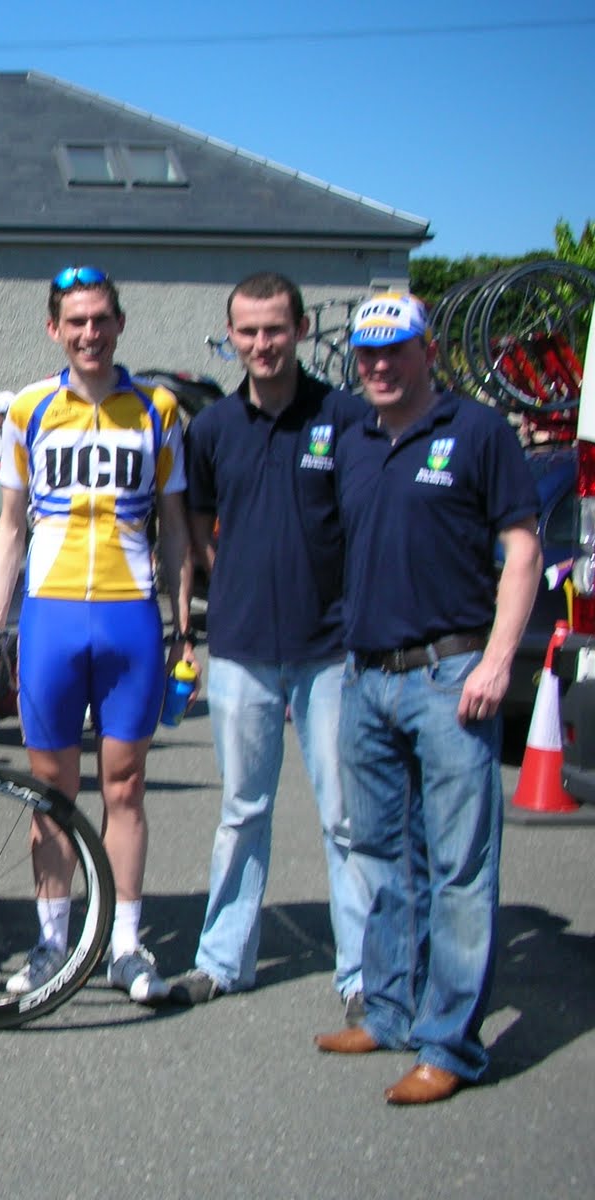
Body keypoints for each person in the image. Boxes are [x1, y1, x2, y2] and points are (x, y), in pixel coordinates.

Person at [312, 293, 538, 1105]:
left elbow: (522, 551)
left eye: (394, 350)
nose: (378, 365)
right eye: (367, 354)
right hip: (367, 676)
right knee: (383, 857)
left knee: (459, 868)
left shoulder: (477, 433)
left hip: (451, 678)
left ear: (427, 349)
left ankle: (450, 1045)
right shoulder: (353, 440)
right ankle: (390, 1010)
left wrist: (498, 660)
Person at [0, 265, 193, 1005]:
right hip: (52, 619)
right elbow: (8, 528)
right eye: (76, 321)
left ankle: (125, 944)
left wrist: (183, 621)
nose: (90, 332)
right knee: (52, 791)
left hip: (132, 617)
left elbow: (175, 532)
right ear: (54, 329)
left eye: (101, 319)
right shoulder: (29, 409)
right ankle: (53, 943)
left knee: (126, 786)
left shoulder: (157, 408)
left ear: (120, 324)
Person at [166, 273, 373, 1023]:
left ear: (300, 327)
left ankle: (363, 977)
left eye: (275, 330)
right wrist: (230, 589)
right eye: (246, 333)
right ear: (232, 336)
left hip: (332, 650)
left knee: (346, 817)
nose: (260, 345)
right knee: (242, 811)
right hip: (244, 647)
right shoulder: (214, 428)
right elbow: (197, 527)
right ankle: (223, 961)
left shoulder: (347, 418)